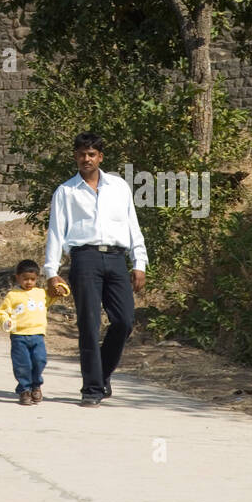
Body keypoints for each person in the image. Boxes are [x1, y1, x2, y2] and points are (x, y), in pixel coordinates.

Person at [44, 131, 148, 406]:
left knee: (124, 321)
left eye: (91, 154)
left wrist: (140, 262)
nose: (86, 159)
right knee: (89, 324)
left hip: (116, 258)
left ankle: (102, 374)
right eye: (81, 154)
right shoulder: (66, 191)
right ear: (75, 157)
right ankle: (91, 389)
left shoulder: (119, 187)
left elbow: (132, 225)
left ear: (100, 157)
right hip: (84, 259)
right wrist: (51, 271)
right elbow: (55, 232)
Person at [0, 258, 70, 405]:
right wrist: (5, 322)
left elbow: (59, 293)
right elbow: (2, 312)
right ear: (17, 277)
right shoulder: (12, 295)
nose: (29, 282)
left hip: (37, 335)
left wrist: (62, 287)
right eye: (25, 279)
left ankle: (36, 386)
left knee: (39, 361)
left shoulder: (42, 293)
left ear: (37, 278)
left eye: (32, 279)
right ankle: (24, 390)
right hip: (19, 336)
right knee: (22, 365)